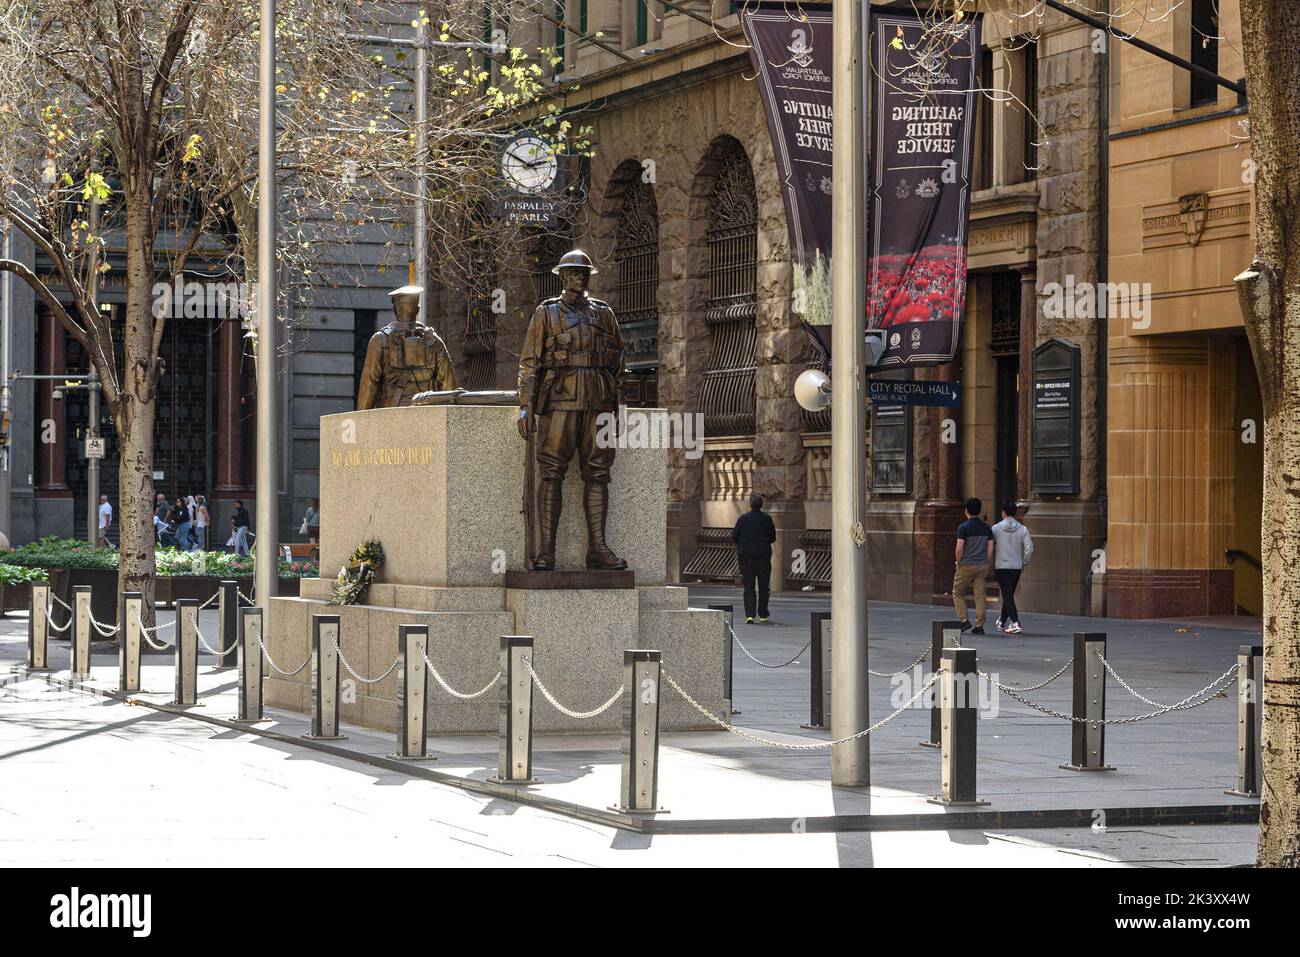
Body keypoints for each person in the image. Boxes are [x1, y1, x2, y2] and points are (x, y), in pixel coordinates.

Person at [516, 249, 627, 571]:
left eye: (583, 273)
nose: (579, 277)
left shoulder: (603, 313)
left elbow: (619, 359)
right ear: (563, 277)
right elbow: (529, 362)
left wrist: (613, 398)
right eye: (573, 273)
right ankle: (547, 550)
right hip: (560, 400)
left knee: (598, 474)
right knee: (551, 472)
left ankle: (598, 548)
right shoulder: (546, 313)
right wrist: (526, 405)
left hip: (597, 401)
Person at [732, 493, 776, 624]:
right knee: (763, 585)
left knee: (749, 585)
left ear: (750, 505)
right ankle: (763, 613)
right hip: (763, 556)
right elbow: (773, 537)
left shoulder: (743, 519)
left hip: (747, 557)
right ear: (761, 505)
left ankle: (750, 615)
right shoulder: (767, 519)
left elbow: (734, 536)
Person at [952, 497, 993, 634]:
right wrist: (984, 560)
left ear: (966, 511)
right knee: (980, 596)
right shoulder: (987, 528)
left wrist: (958, 562)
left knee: (957, 592)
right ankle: (979, 625)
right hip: (981, 565)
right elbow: (990, 547)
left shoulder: (963, 528)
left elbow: (959, 548)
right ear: (979, 511)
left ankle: (964, 620)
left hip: (966, 564)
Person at [991, 502, 1034, 634]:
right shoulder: (1022, 529)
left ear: (1003, 513)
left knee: (1007, 594)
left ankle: (1015, 622)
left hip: (1001, 566)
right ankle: (1002, 621)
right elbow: (1029, 548)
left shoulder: (996, 528)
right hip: (1016, 567)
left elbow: (990, 546)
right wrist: (1024, 562)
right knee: (1008, 594)